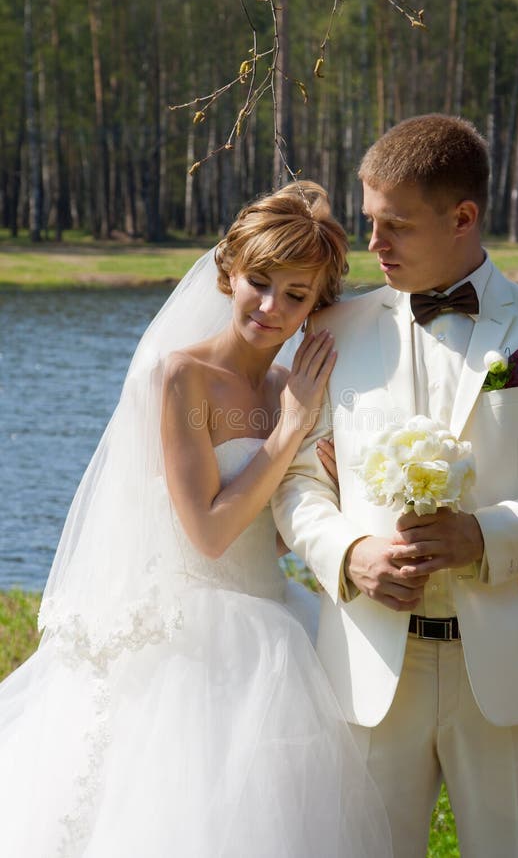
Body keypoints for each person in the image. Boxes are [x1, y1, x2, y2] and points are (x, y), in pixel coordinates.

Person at [0, 181, 393, 857]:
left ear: (315, 306)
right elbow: (209, 534)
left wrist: (323, 474)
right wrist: (290, 433)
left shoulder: (285, 386)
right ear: (228, 273)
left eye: (296, 295)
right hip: (190, 633)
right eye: (259, 283)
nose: (271, 308)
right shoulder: (178, 376)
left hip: (274, 613)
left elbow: (266, 531)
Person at [272, 115, 518, 857]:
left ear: (463, 218)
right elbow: (295, 478)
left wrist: (484, 537)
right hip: (369, 666)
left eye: (395, 226)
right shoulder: (333, 327)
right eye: (368, 223)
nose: (372, 246)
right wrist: (349, 554)